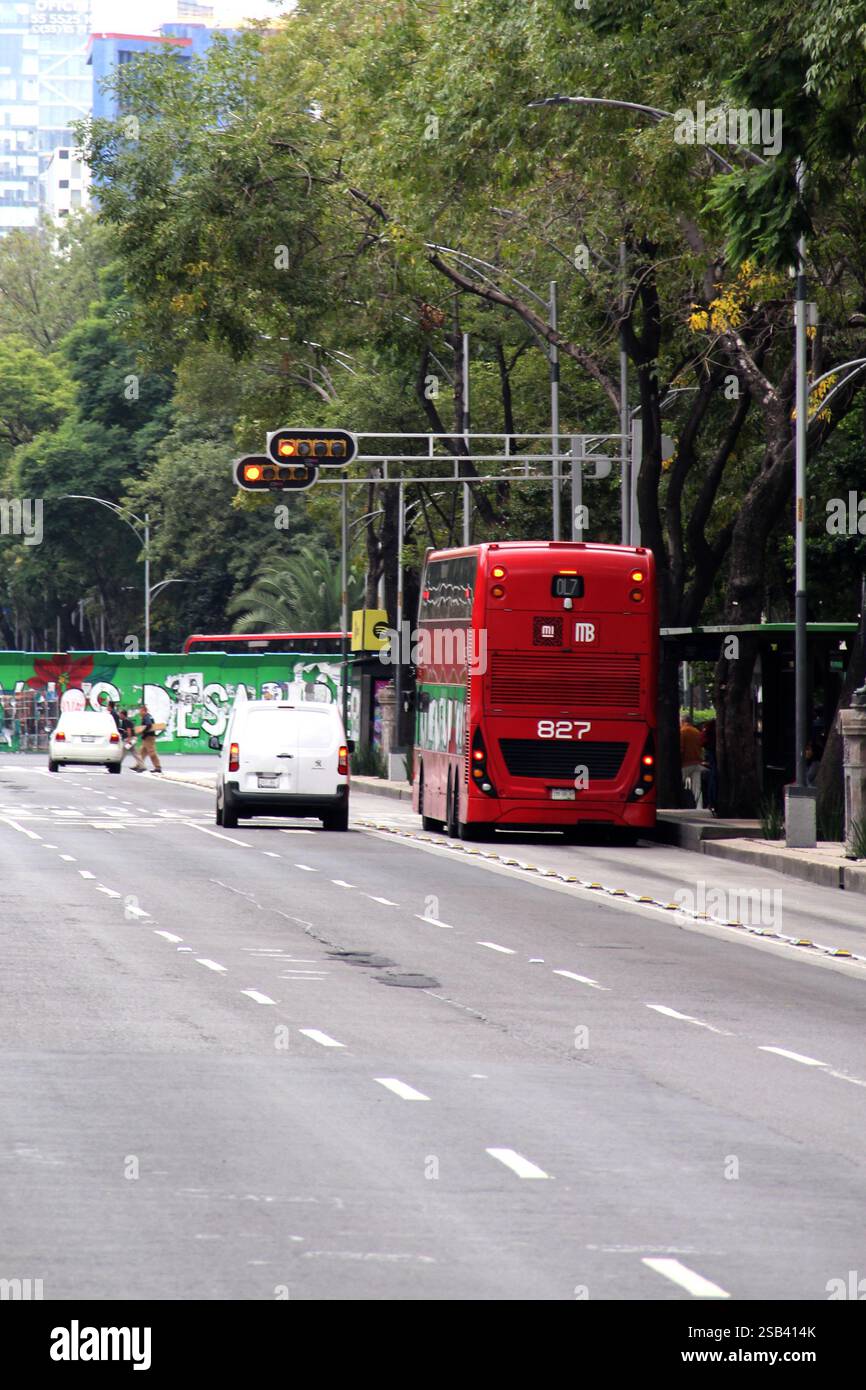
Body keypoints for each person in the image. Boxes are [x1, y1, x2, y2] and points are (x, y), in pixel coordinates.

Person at [680, 714, 704, 808]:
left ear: (683, 721)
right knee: (697, 787)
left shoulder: (682, 731)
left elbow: (681, 749)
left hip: (685, 763)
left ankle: (682, 804)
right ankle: (699, 807)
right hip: (697, 762)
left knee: (680, 784)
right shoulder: (697, 732)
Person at [133, 703, 162, 773]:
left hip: (149, 737)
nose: (139, 713)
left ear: (144, 711)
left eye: (140, 711)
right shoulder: (149, 716)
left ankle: (158, 767)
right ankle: (138, 766)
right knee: (142, 752)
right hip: (148, 737)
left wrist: (143, 730)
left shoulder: (146, 717)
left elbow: (148, 725)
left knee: (152, 752)